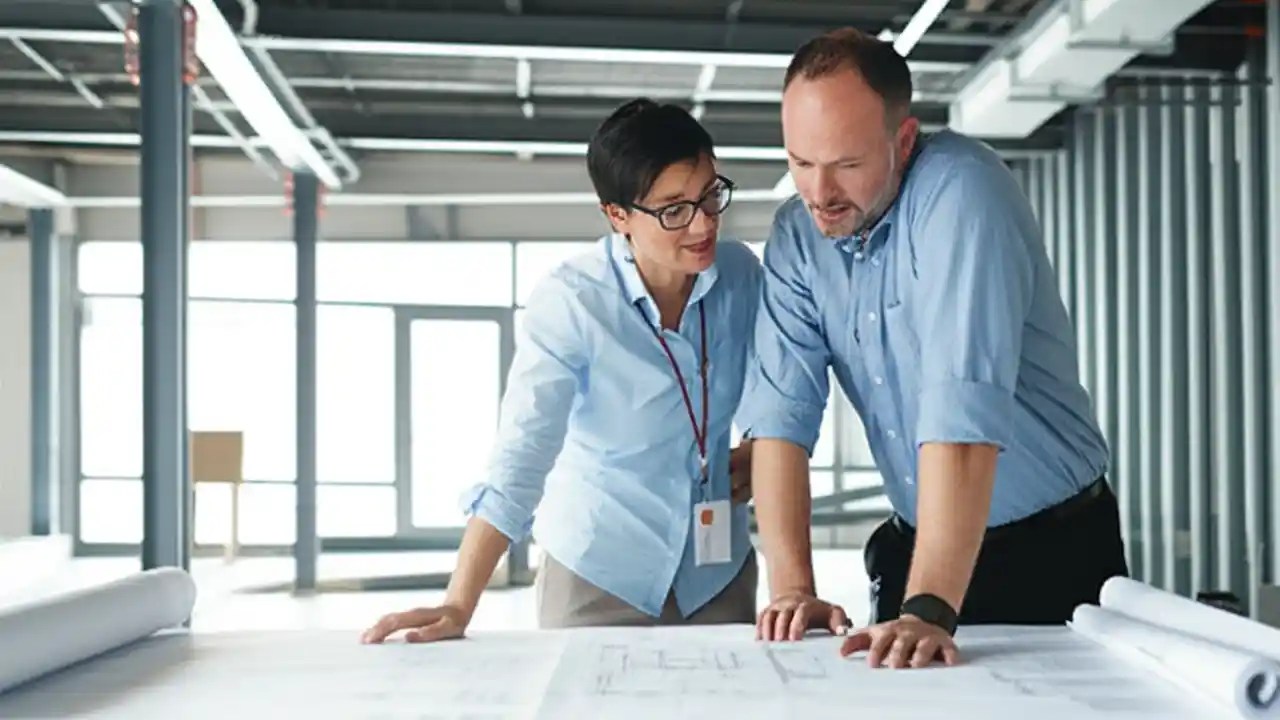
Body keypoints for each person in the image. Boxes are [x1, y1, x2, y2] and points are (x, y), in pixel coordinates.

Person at [739, 28, 1129, 668]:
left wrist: (929, 608)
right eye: (800, 162)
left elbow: (962, 411)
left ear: (904, 141)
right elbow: (781, 419)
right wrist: (793, 588)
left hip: (1051, 549)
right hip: (917, 547)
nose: (819, 192)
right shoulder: (796, 239)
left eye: (847, 164)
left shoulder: (963, 195)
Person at [361, 98, 764, 643]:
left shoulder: (741, 276)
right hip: (601, 580)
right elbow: (521, 457)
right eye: (674, 209)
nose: (703, 223)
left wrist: (763, 444)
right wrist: (458, 604)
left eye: (711, 195)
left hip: (717, 580)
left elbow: (784, 383)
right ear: (617, 214)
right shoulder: (574, 302)